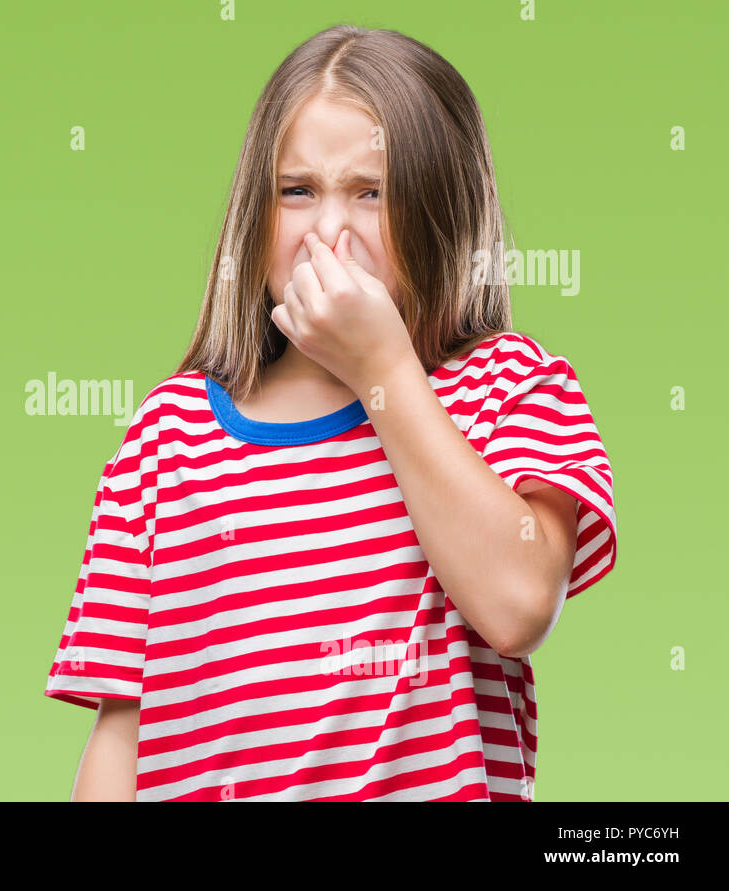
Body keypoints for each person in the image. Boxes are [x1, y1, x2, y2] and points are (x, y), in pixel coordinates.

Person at [43, 24, 618, 802]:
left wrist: (381, 366)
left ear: (443, 213)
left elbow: (518, 606)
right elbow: (123, 730)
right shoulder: (164, 438)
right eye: (298, 190)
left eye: (372, 192)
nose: (328, 232)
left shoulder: (505, 388)